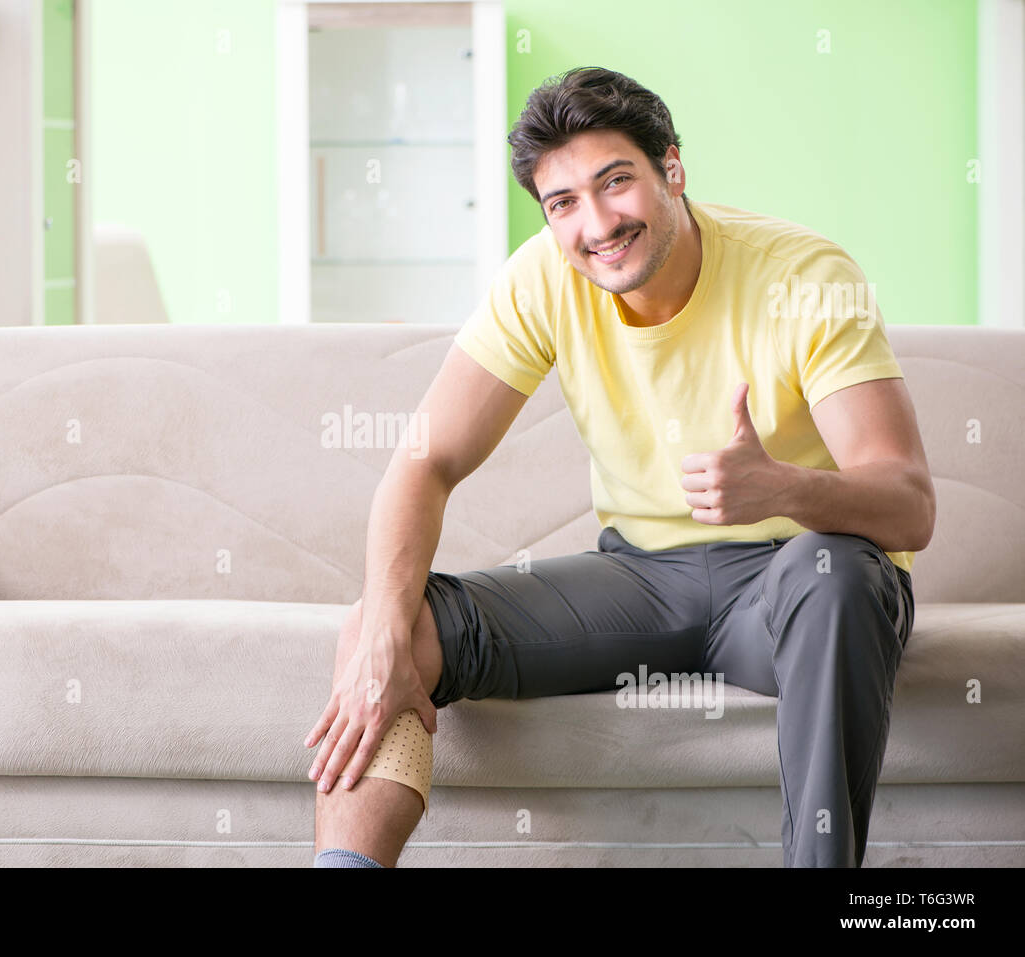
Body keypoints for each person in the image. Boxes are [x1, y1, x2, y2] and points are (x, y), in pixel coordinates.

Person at [305, 66, 935, 868]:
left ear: (672, 168)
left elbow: (909, 504)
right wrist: (388, 640)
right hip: (641, 582)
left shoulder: (805, 277)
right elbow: (422, 465)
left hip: (796, 585)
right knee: (379, 622)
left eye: (615, 182)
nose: (597, 223)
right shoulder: (543, 277)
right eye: (564, 202)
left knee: (836, 569)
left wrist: (782, 487)